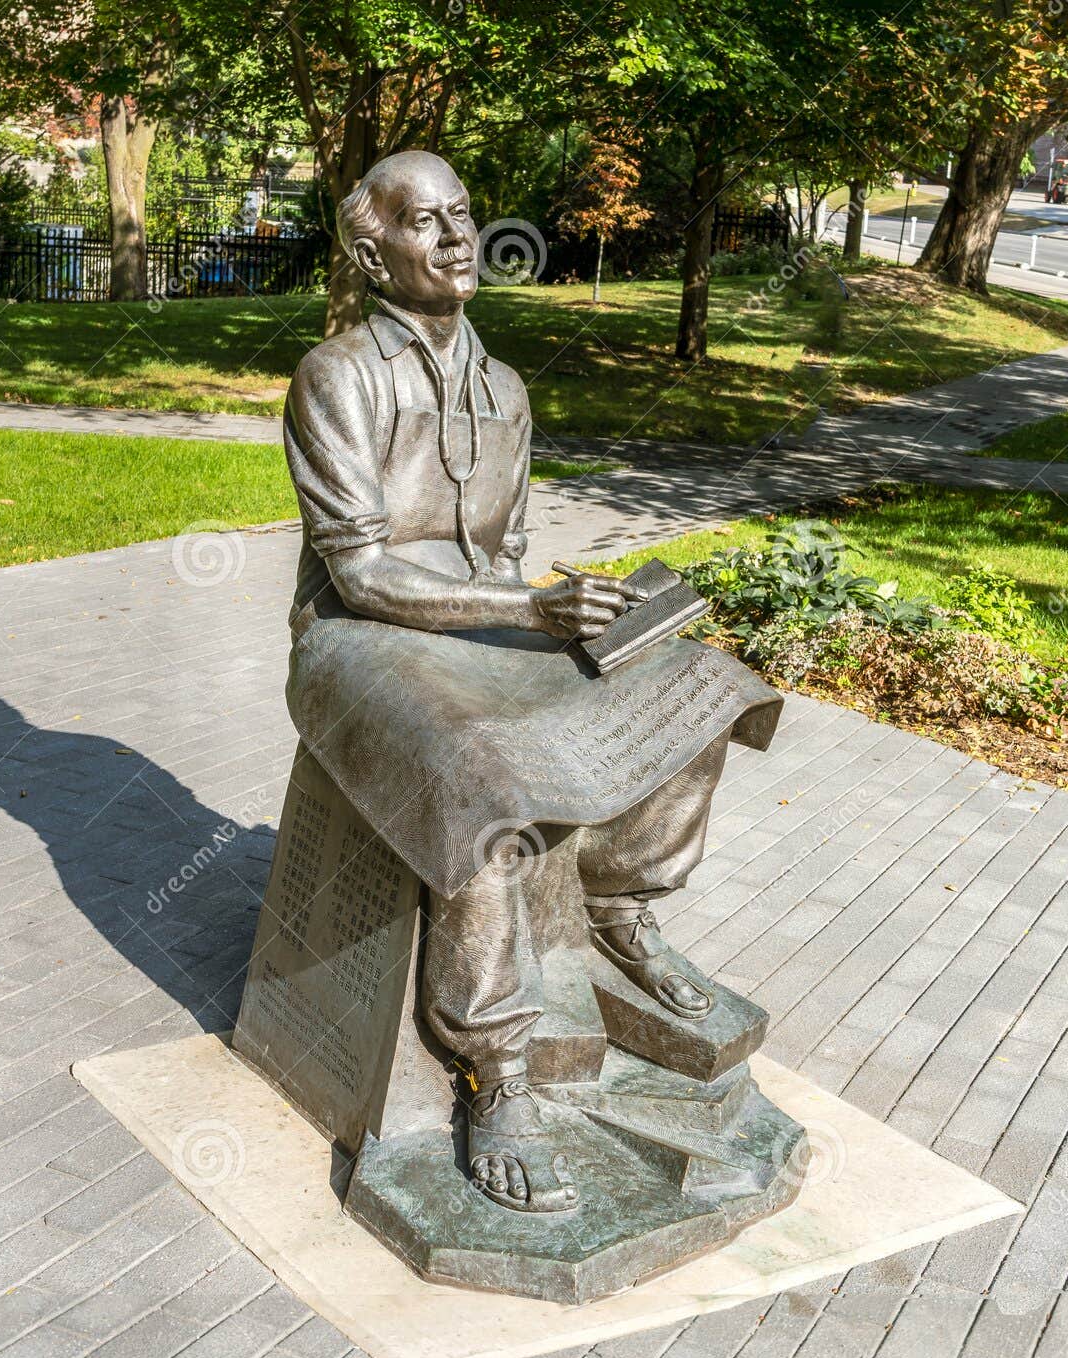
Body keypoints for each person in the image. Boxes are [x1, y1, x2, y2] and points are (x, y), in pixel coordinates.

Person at [281, 151, 781, 1214]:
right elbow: (360, 570)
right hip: (357, 641)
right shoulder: (337, 376)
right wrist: (525, 613)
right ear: (374, 252)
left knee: (699, 682)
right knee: (478, 765)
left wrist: (581, 608)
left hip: (485, 623)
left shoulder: (505, 387)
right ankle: (496, 1067)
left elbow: (505, 553)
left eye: (465, 216)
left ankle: (616, 907)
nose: (461, 238)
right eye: (428, 222)